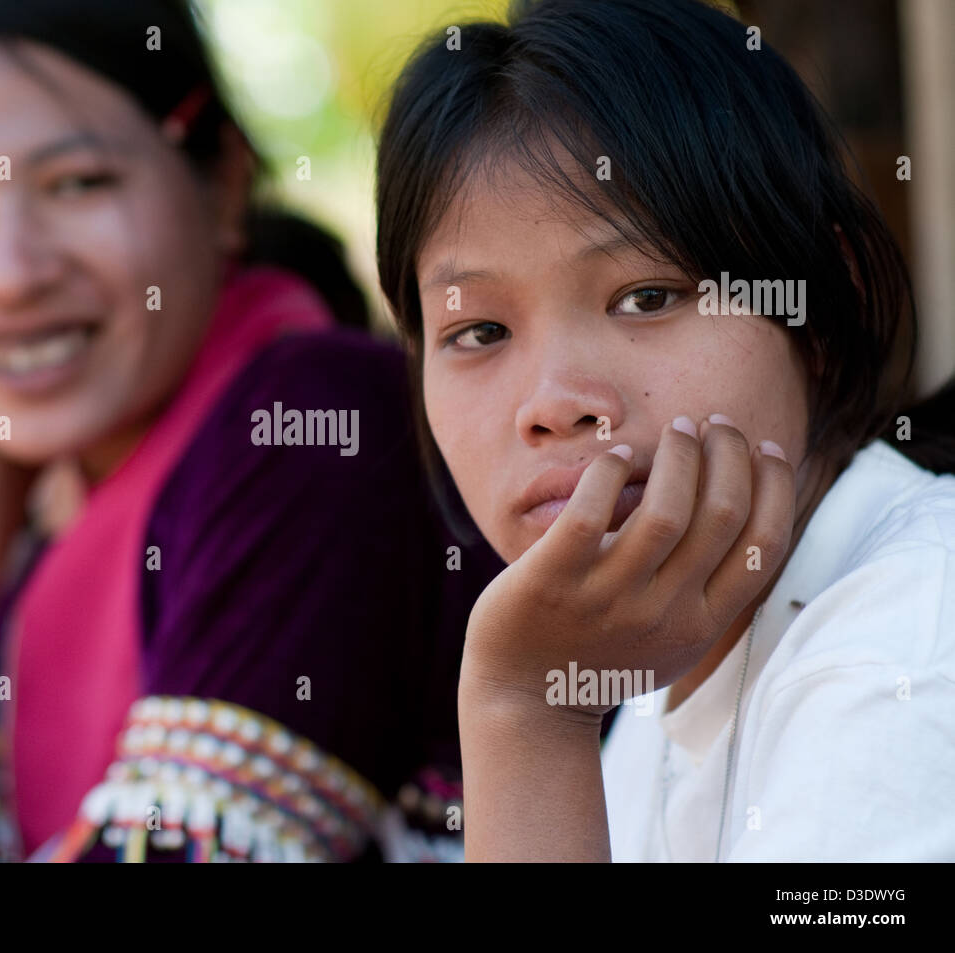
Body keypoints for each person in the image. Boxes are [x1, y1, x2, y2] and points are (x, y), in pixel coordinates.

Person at [0, 0, 500, 863]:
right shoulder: (47, 503)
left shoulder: (311, 423)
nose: (8, 274)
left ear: (220, 181)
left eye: (78, 184)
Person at [375, 0, 955, 861]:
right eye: (480, 332)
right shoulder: (658, 682)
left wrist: (530, 710)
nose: (555, 402)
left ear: (824, 312)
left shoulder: (910, 644)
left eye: (648, 297)